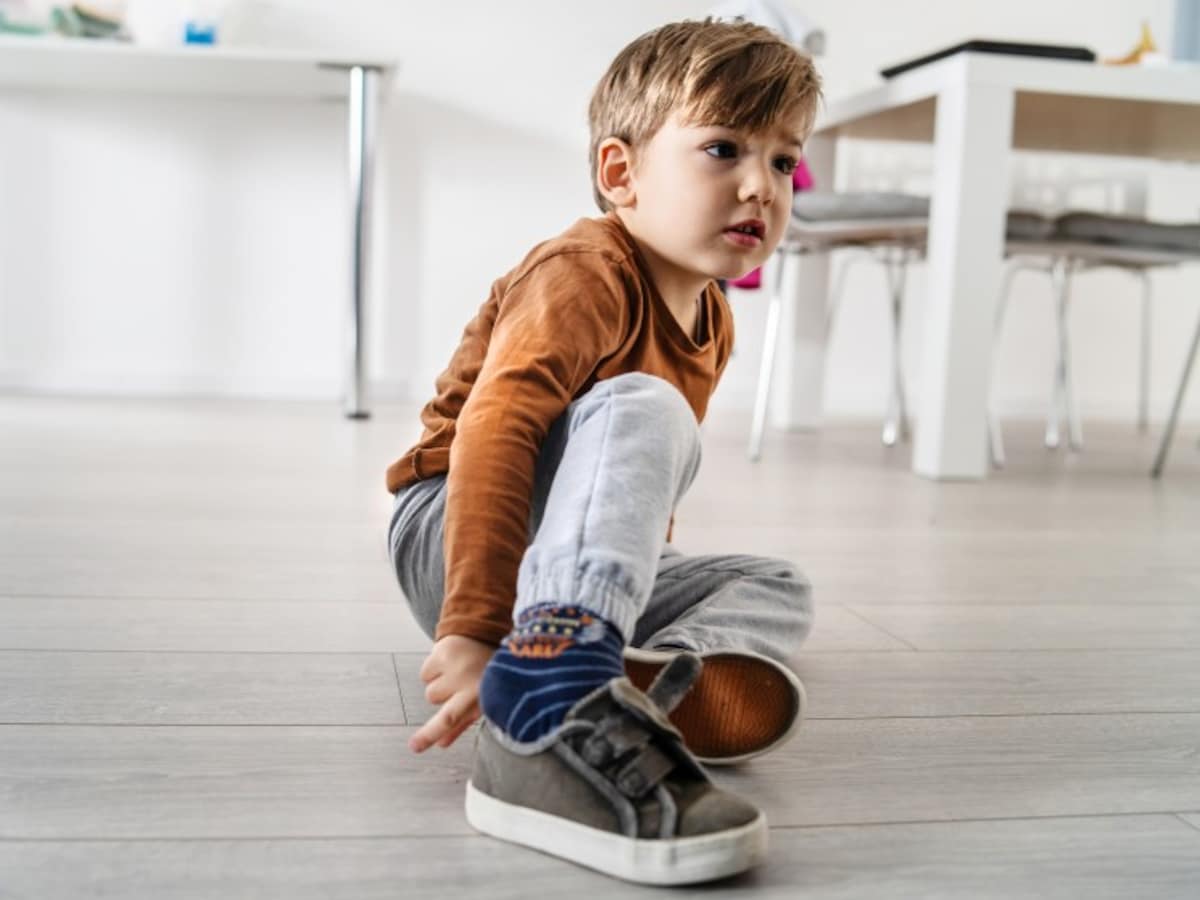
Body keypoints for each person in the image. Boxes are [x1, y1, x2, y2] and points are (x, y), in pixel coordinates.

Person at [386, 18, 821, 885]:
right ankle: (550, 675)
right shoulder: (584, 269)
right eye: (724, 148)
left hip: (562, 568)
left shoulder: (714, 317)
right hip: (458, 529)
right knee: (644, 405)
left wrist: (633, 570)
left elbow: (631, 487)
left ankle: (625, 681)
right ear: (620, 172)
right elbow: (494, 432)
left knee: (777, 585)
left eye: (783, 161)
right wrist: (472, 630)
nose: (761, 187)